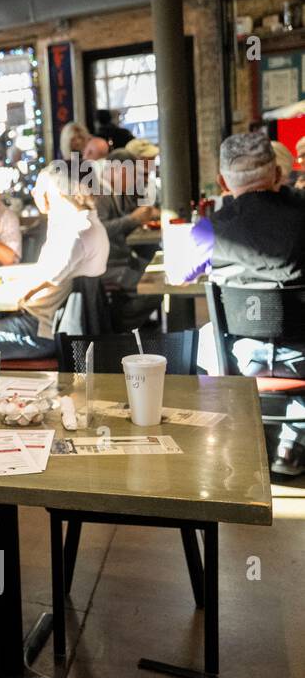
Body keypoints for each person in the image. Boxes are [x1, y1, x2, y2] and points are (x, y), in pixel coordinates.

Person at [184, 133, 305, 477]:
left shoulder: (209, 229)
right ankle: (292, 441)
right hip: (301, 358)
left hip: (239, 357)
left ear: (223, 182)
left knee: (200, 342)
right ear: (279, 175)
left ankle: (229, 434)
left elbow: (183, 273)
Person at [0, 167, 108, 358]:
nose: (34, 193)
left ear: (55, 191)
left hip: (39, 330)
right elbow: (42, 272)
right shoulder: (80, 224)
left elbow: (29, 289)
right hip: (40, 322)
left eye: (38, 187)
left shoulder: (76, 232)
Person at [95, 148, 160, 292]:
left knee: (157, 267)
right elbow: (100, 229)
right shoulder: (100, 193)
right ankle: (122, 314)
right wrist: (133, 219)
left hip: (121, 258)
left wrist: (139, 217)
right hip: (111, 265)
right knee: (156, 284)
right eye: (132, 175)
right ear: (118, 170)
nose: (134, 181)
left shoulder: (113, 191)